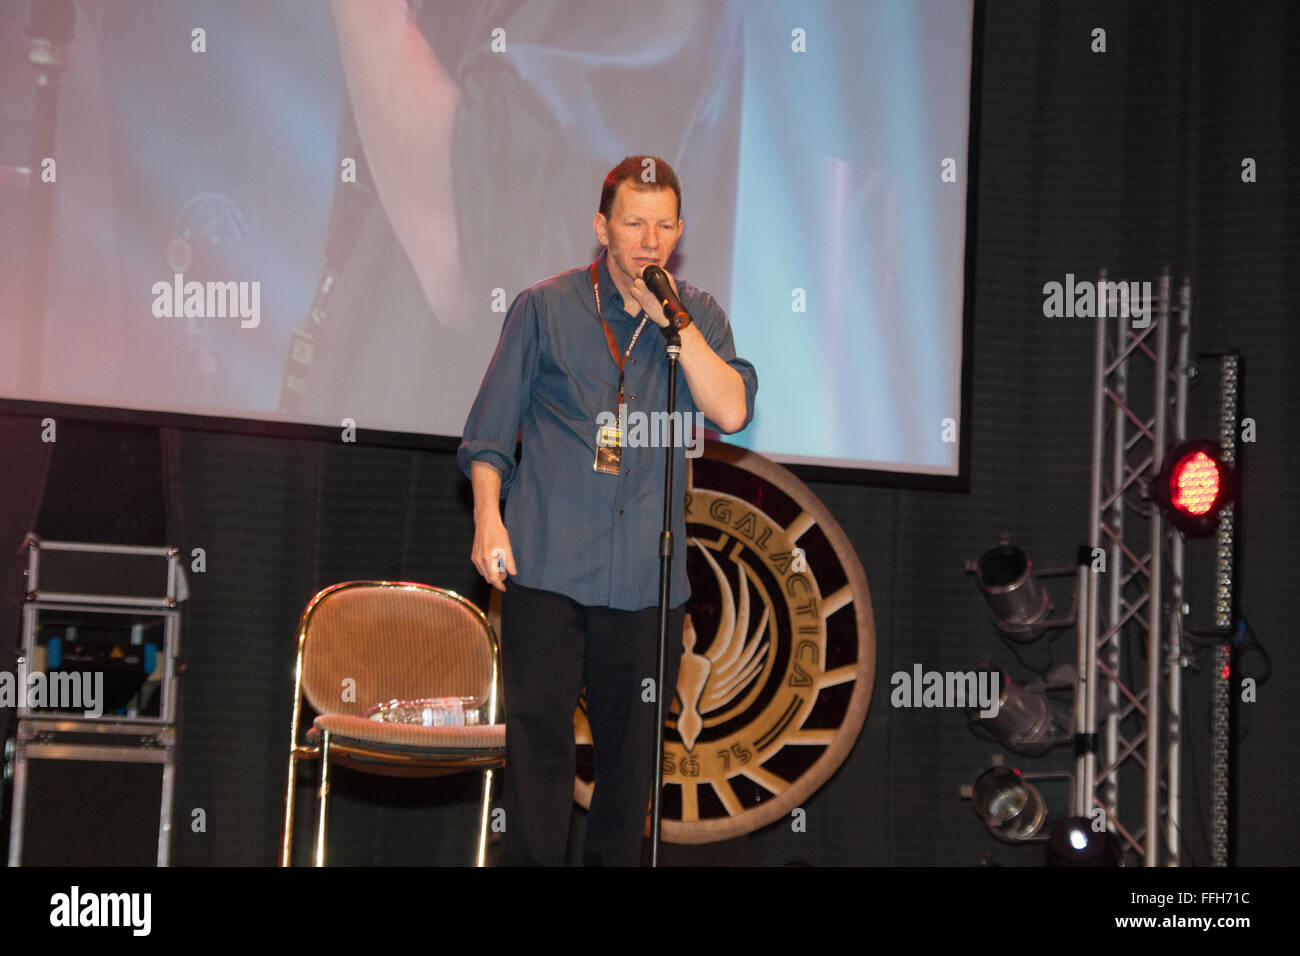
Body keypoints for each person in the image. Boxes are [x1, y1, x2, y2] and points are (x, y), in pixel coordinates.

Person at [458, 156, 757, 866]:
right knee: (539, 746)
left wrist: (676, 327)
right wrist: (487, 519)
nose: (648, 240)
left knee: (630, 765)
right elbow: (489, 434)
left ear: (679, 232)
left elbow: (733, 409)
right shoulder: (546, 306)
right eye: (633, 223)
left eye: (662, 226)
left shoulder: (699, 315)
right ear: (603, 227)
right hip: (547, 563)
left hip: (646, 583)